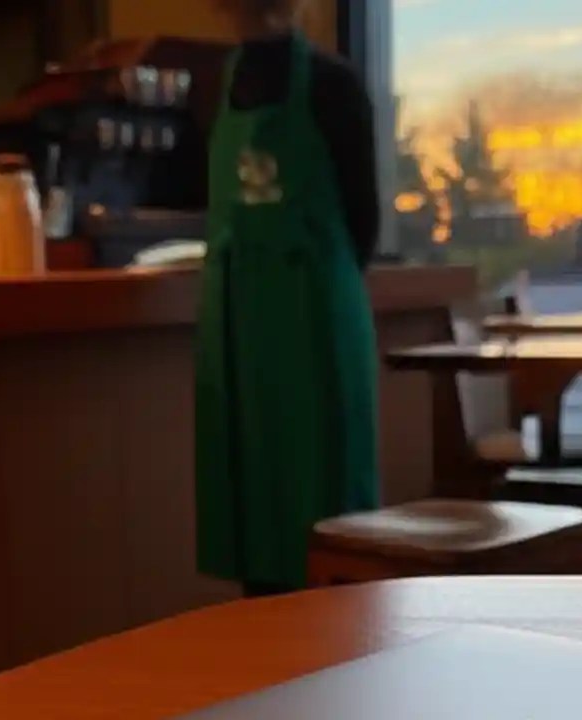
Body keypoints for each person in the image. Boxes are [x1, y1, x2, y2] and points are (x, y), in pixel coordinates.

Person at [194, 0, 381, 597]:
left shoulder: (333, 84)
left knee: (326, 500)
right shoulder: (213, 86)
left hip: (314, 319)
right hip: (239, 325)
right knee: (254, 499)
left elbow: (363, 223)